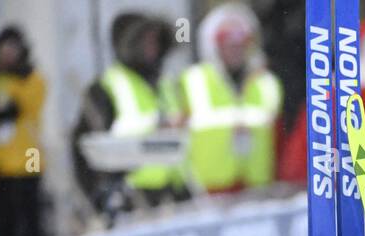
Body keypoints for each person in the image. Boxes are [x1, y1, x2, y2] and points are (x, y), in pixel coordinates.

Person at [71, 13, 188, 219]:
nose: (152, 46)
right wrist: (100, 199)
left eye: (155, 39)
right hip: (131, 202)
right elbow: (86, 149)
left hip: (173, 197)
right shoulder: (107, 87)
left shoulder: (166, 85)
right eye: (145, 40)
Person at [178, 3, 283, 193]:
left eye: (241, 43)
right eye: (228, 43)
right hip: (209, 189)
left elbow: (278, 134)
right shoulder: (195, 80)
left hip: (257, 188)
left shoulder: (267, 82)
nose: (235, 50)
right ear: (214, 45)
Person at [0, 25, 46, 236]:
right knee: (4, 208)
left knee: (31, 205)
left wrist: (10, 103)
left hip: (30, 154)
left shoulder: (32, 77)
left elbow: (30, 104)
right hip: (1, 158)